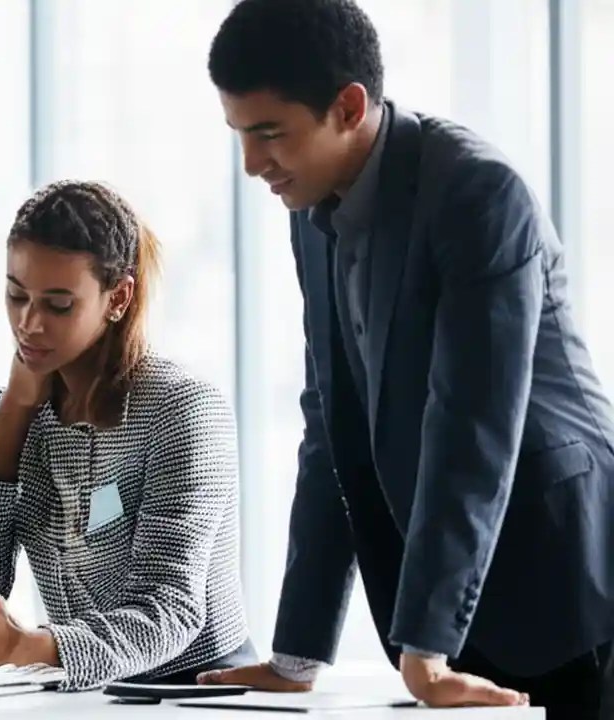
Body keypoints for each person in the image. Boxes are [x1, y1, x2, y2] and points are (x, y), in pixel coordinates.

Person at [197, 1, 614, 717]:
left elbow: (472, 426)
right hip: (452, 593)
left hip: (559, 575)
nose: (251, 164)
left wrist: (424, 645)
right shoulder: (311, 212)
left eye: (270, 134)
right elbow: (332, 430)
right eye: (239, 134)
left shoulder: (478, 193)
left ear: (349, 106)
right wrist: (297, 656)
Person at [0, 180, 253, 692]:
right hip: (79, 692)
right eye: (15, 295)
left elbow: (170, 611)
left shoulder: (181, 410)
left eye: (58, 305)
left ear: (118, 297)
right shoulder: (6, 412)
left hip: (194, 691)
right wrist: (15, 413)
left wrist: (21, 647)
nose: (28, 323)